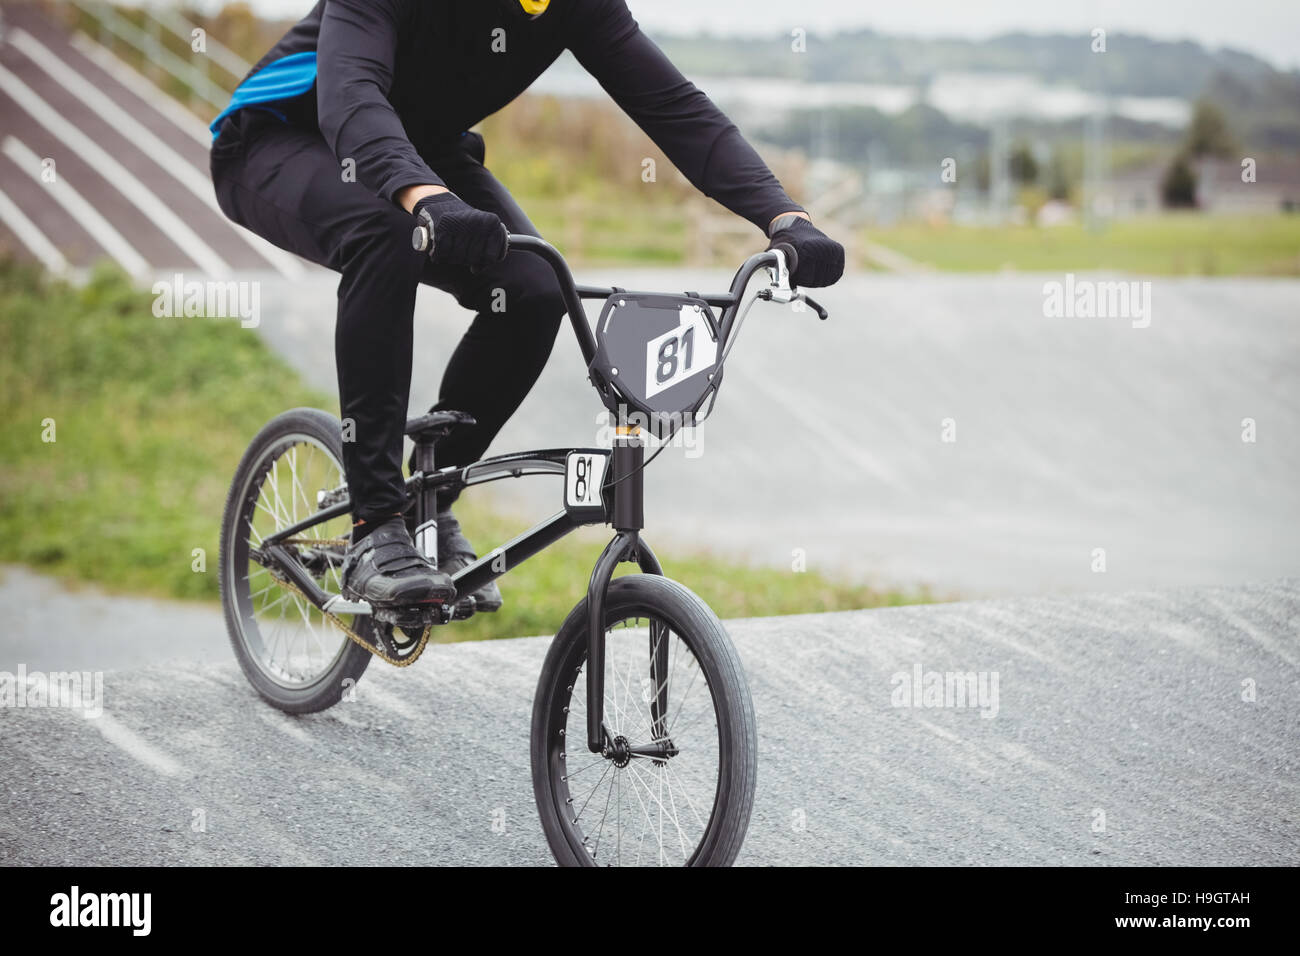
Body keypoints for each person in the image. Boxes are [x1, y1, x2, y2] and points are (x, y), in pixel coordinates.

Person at [210, 0, 844, 618]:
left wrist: (784, 217)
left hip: (422, 147)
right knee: (388, 232)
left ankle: (431, 496)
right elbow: (350, 97)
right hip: (281, 137)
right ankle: (377, 522)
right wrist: (425, 193)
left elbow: (674, 108)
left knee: (537, 288)